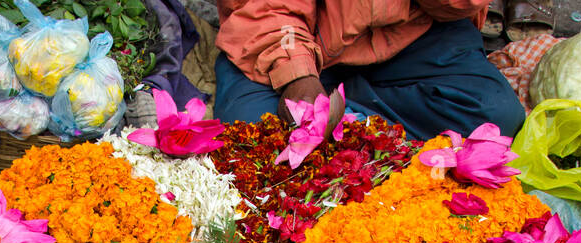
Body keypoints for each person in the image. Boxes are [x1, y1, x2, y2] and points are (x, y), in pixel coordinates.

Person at [213, 0, 527, 141]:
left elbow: (461, 4)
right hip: (291, 34)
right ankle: (337, 110)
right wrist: (297, 77)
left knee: (496, 115)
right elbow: (265, 9)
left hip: (415, 32)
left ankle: (347, 111)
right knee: (251, 133)